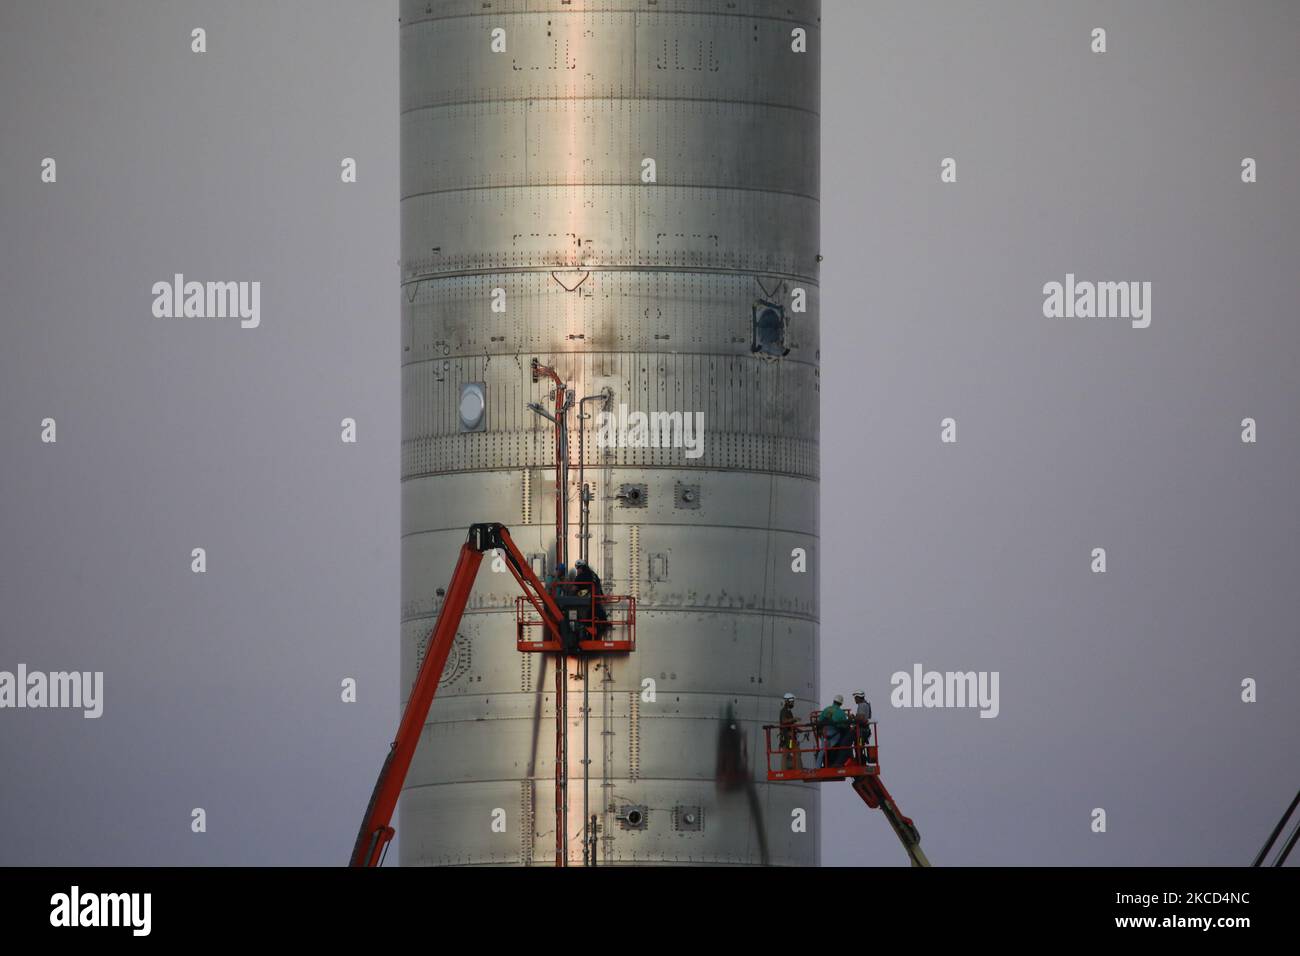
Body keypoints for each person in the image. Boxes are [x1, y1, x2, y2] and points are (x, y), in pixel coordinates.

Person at [572, 559, 609, 639]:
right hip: (598, 604)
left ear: (580, 568)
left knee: (578, 618)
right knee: (597, 622)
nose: (577, 571)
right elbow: (600, 589)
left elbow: (573, 589)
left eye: (577, 569)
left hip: (588, 605)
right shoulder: (594, 575)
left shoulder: (581, 576)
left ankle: (581, 636)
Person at [818, 694, 851, 768]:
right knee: (839, 744)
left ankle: (818, 766)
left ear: (833, 701)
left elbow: (819, 720)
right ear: (841, 703)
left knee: (822, 750)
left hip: (824, 733)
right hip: (834, 734)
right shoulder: (841, 712)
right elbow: (845, 725)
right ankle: (835, 762)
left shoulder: (826, 709)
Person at [778, 693, 801, 771]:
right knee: (790, 752)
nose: (793, 703)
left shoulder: (788, 711)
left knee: (790, 751)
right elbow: (784, 721)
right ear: (787, 701)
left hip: (789, 737)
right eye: (792, 701)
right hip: (787, 737)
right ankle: (795, 769)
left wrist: (797, 729)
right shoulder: (784, 711)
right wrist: (794, 719)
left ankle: (793, 768)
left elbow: (789, 723)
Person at [852, 690, 872, 763]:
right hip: (865, 730)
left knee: (858, 745)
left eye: (855, 697)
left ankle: (859, 760)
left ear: (859, 697)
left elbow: (861, 718)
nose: (855, 699)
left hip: (861, 731)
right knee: (860, 746)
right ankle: (860, 759)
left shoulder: (862, 705)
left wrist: (853, 718)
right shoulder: (866, 704)